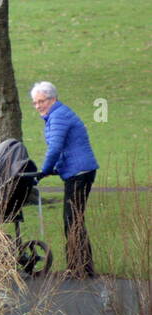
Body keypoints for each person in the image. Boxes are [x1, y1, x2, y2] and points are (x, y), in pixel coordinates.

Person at [30, 81, 99, 278]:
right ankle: (82, 267)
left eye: (41, 101)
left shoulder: (58, 115)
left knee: (72, 220)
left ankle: (79, 268)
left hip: (79, 173)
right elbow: (64, 149)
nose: (38, 106)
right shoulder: (57, 114)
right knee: (74, 219)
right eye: (35, 103)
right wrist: (55, 169)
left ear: (53, 99)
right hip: (78, 171)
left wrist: (44, 171)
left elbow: (55, 148)